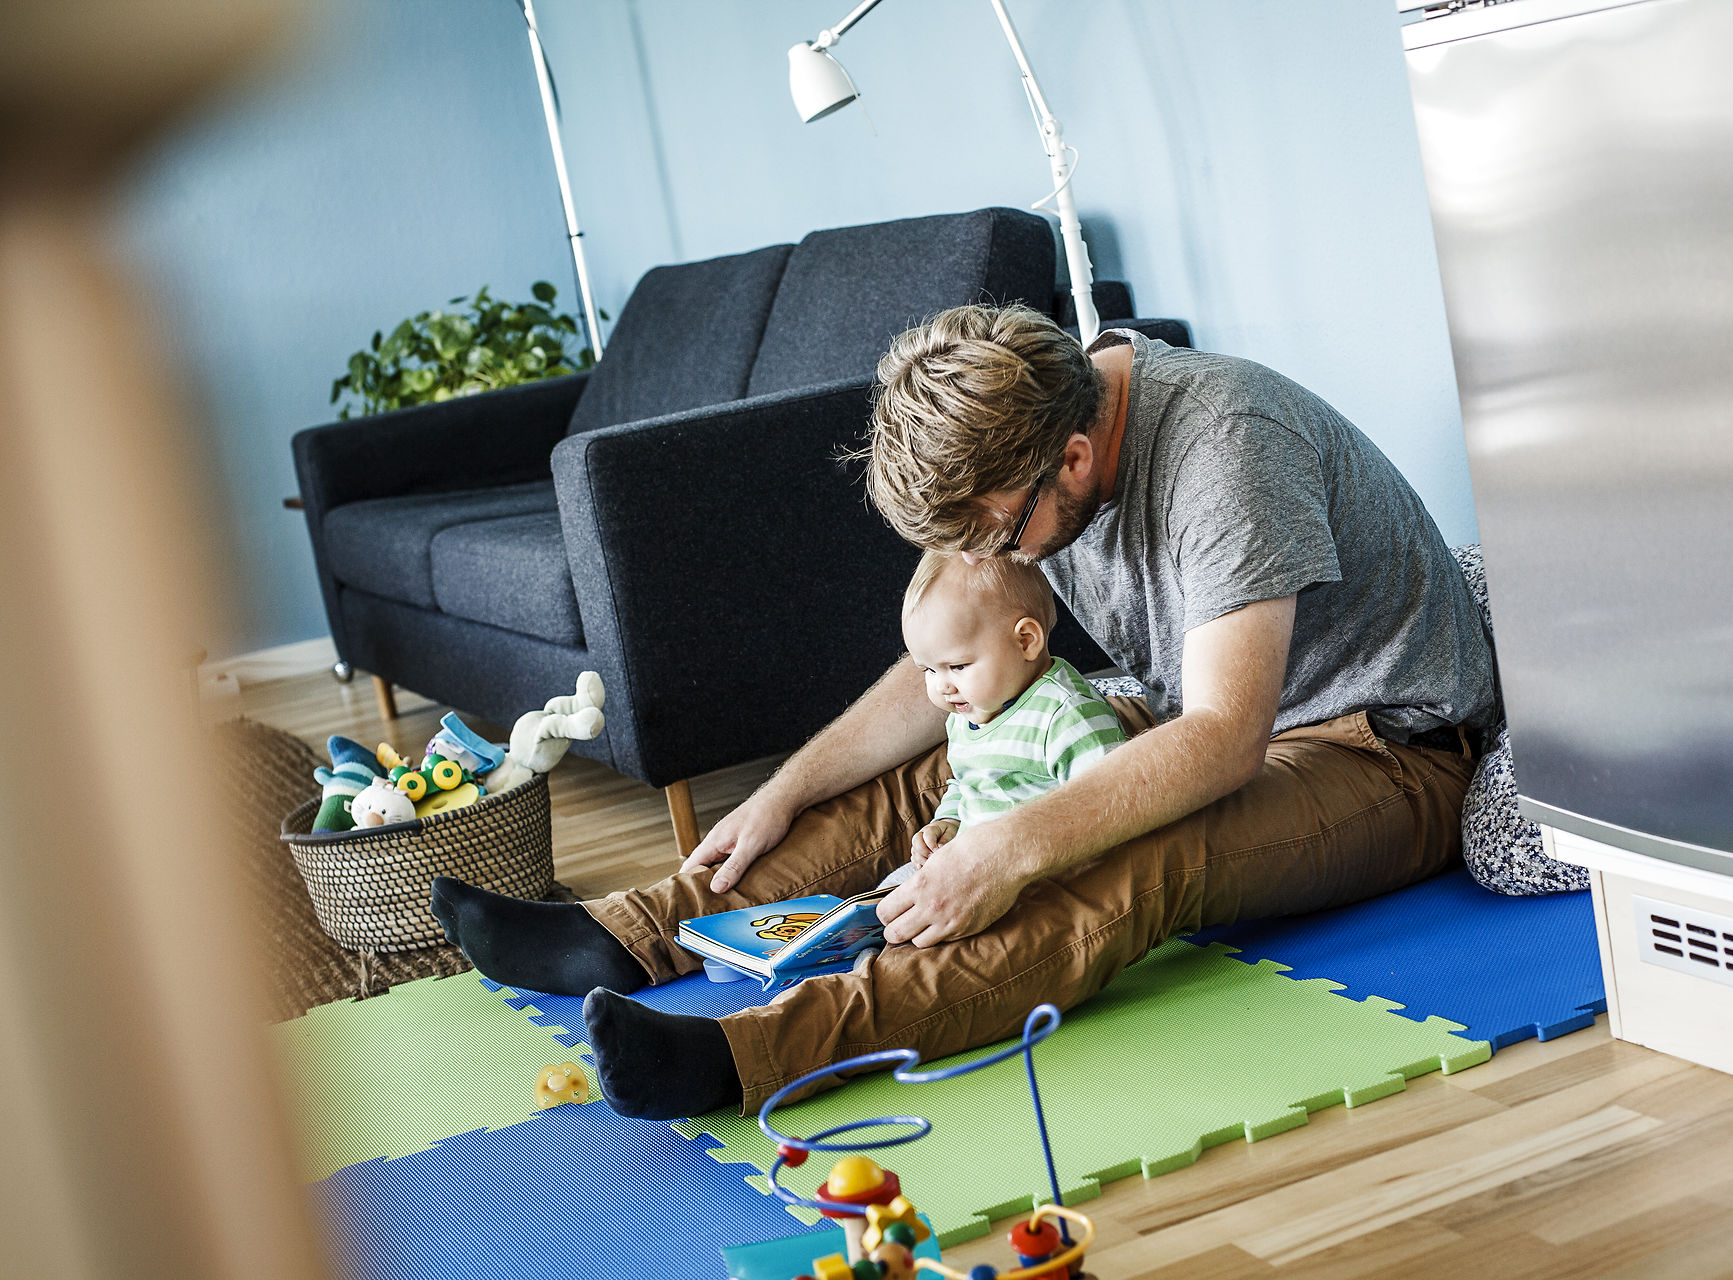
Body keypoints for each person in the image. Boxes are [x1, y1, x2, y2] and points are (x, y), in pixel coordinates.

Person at [432, 303, 1496, 1120]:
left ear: (1072, 459)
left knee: (1120, 848)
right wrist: (784, 790)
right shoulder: (1048, 431)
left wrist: (1010, 848)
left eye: (1005, 538)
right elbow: (955, 656)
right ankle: (634, 936)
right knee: (970, 734)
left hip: (1378, 747)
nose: (1002, 561)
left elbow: (1224, 739)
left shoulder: (1229, 450)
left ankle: (753, 1054)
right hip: (1201, 711)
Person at [879, 548, 1128, 891]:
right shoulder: (967, 712)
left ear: (1026, 641)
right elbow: (968, 785)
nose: (943, 687)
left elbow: (1110, 810)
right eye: (929, 670)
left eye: (958, 666)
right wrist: (949, 821)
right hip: (970, 864)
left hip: (1040, 881)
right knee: (889, 892)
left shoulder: (1067, 716)